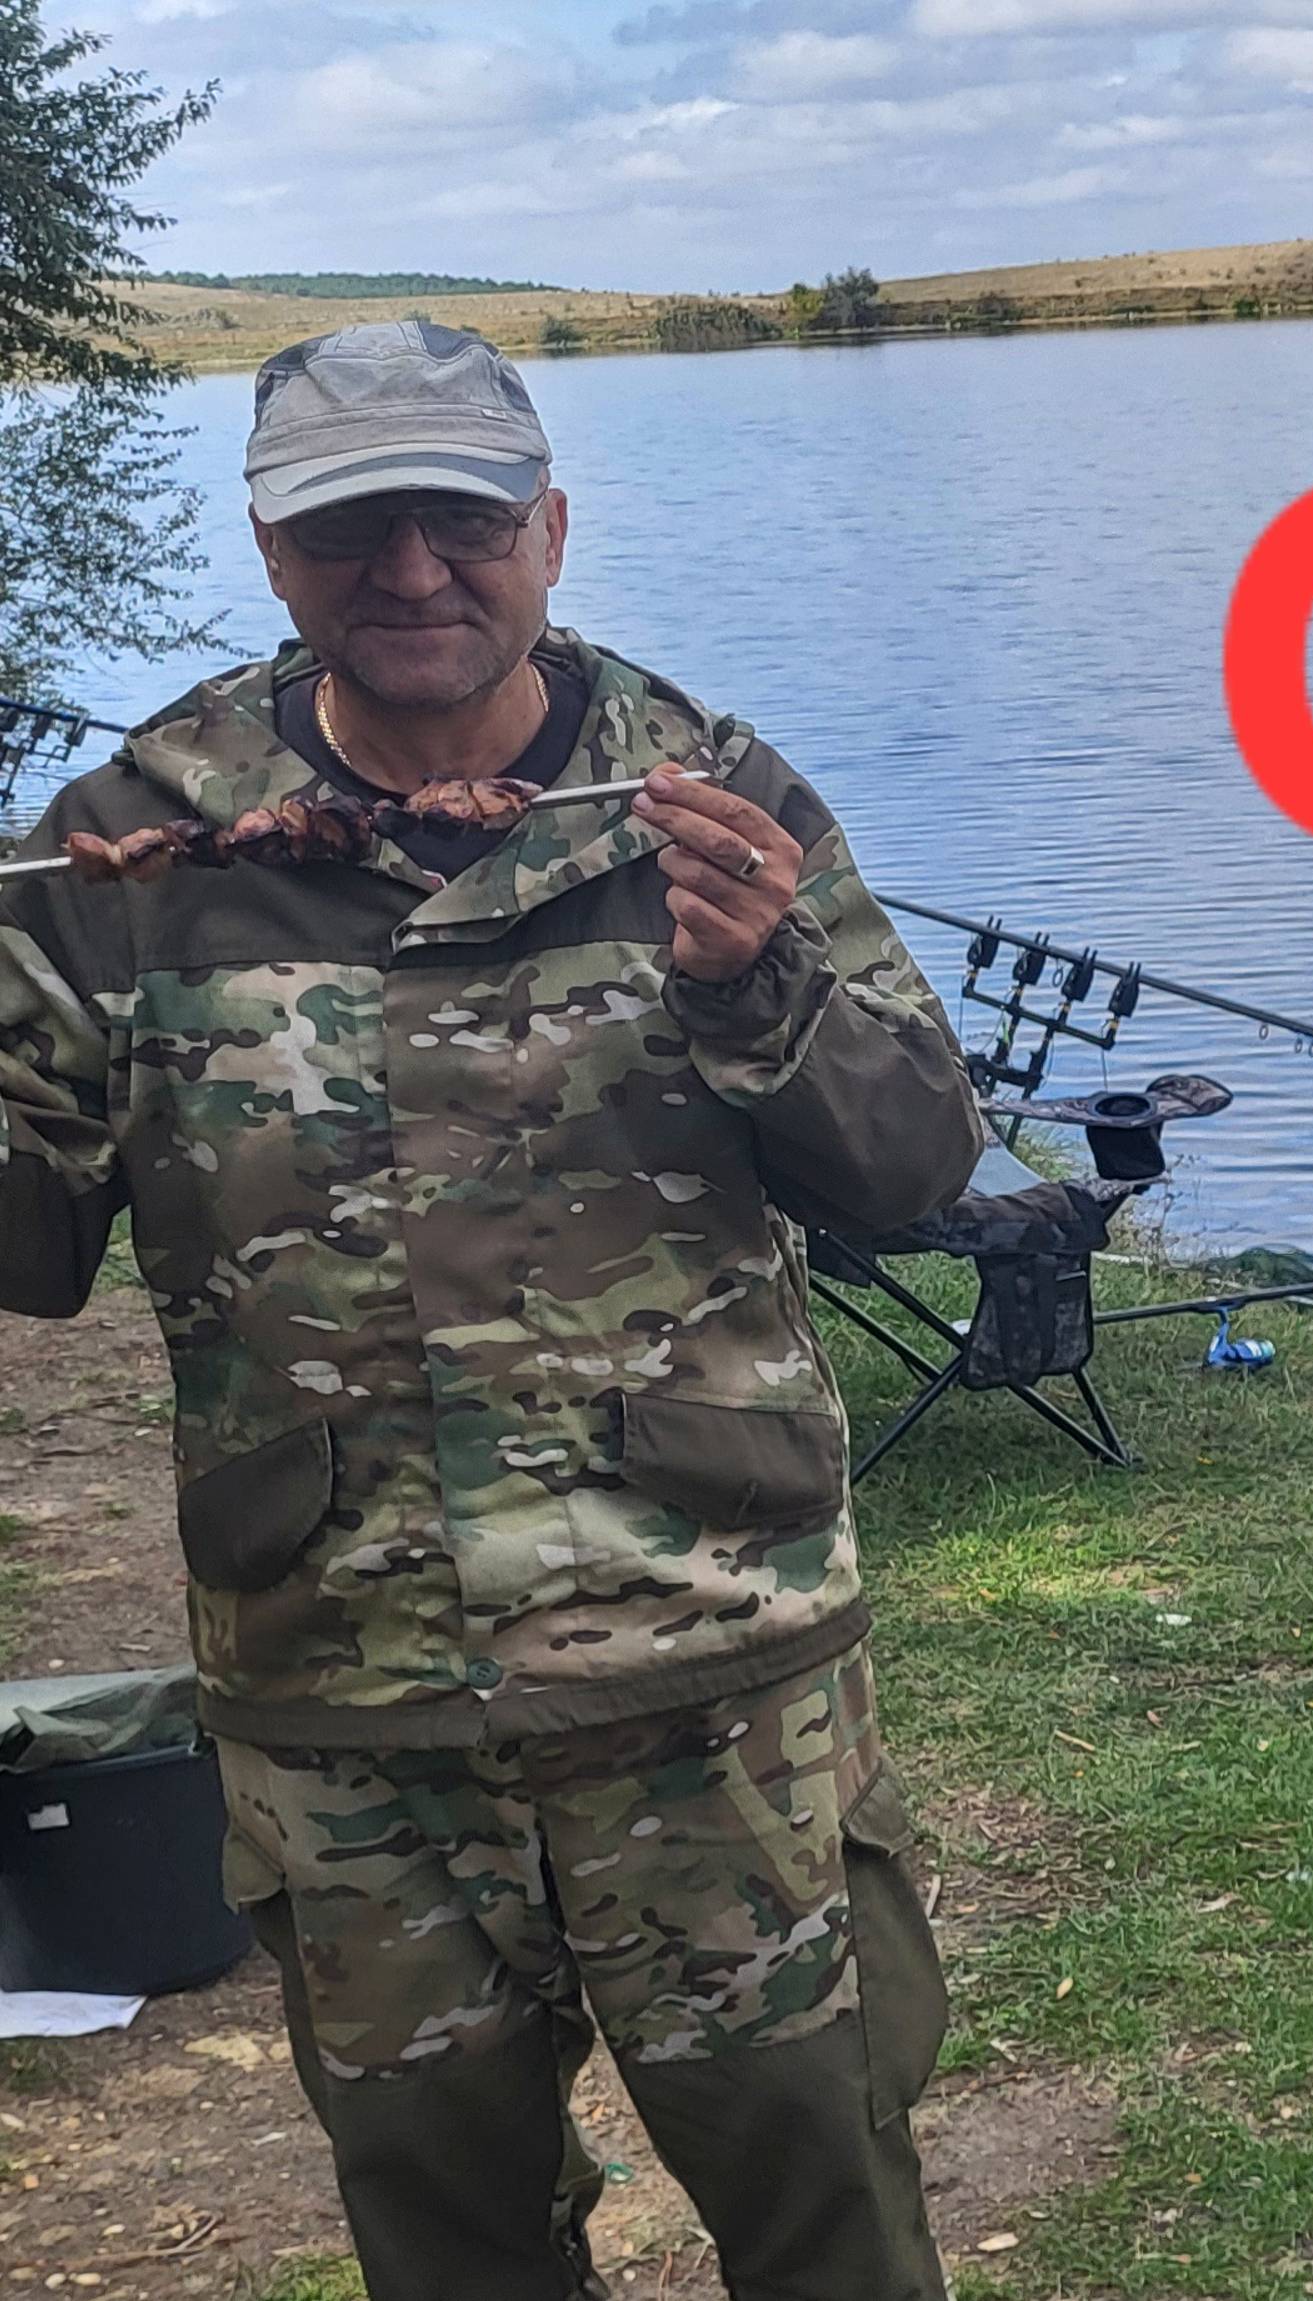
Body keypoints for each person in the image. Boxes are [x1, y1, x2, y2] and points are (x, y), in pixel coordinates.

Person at [0, 321, 987, 2300]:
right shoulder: (133, 842)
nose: (414, 572)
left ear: (550, 526)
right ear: (273, 550)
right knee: (449, 2244)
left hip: (709, 1670)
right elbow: (26, 1243)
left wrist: (765, 989)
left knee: (828, 2211)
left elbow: (913, 1167)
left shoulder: (704, 793)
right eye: (350, 529)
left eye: (461, 519)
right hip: (344, 1698)